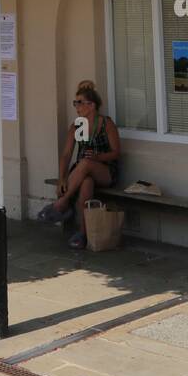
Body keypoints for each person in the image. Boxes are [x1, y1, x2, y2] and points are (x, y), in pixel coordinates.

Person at [38, 81, 121, 250]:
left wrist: (98, 157)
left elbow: (116, 152)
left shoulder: (106, 123)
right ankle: (83, 234)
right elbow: (67, 154)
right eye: (75, 102)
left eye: (79, 103)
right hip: (82, 172)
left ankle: (62, 203)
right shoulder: (77, 125)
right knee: (86, 184)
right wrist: (62, 178)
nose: (76, 107)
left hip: (105, 169)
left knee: (86, 163)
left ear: (91, 105)